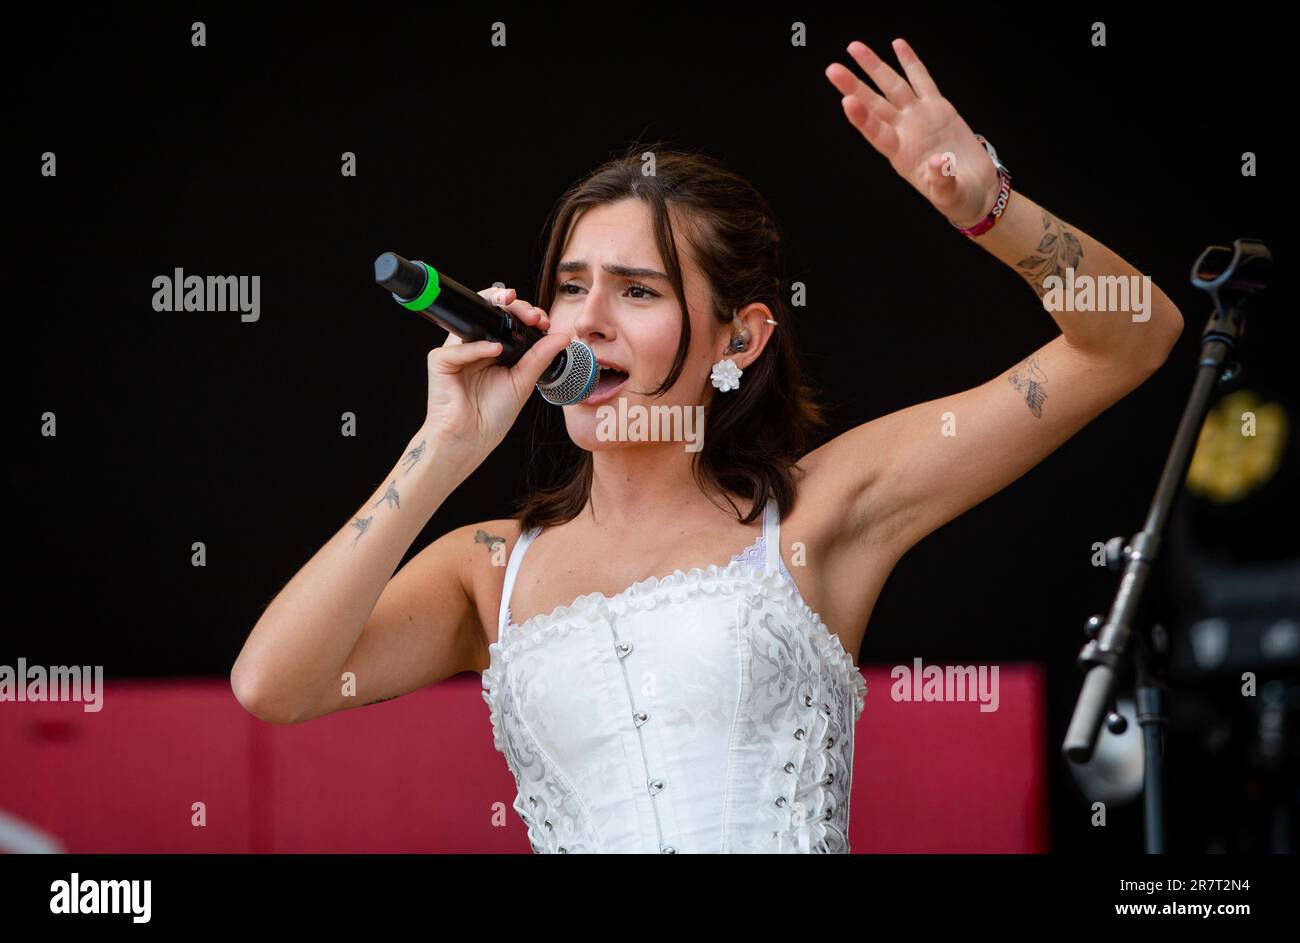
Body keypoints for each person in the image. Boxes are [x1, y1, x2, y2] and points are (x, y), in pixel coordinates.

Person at [231, 37, 1184, 853]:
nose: (591, 319)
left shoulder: (818, 511)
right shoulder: (490, 571)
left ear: (741, 336)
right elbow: (274, 684)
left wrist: (991, 209)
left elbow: (1134, 336)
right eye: (570, 288)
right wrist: (443, 447)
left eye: (638, 291)